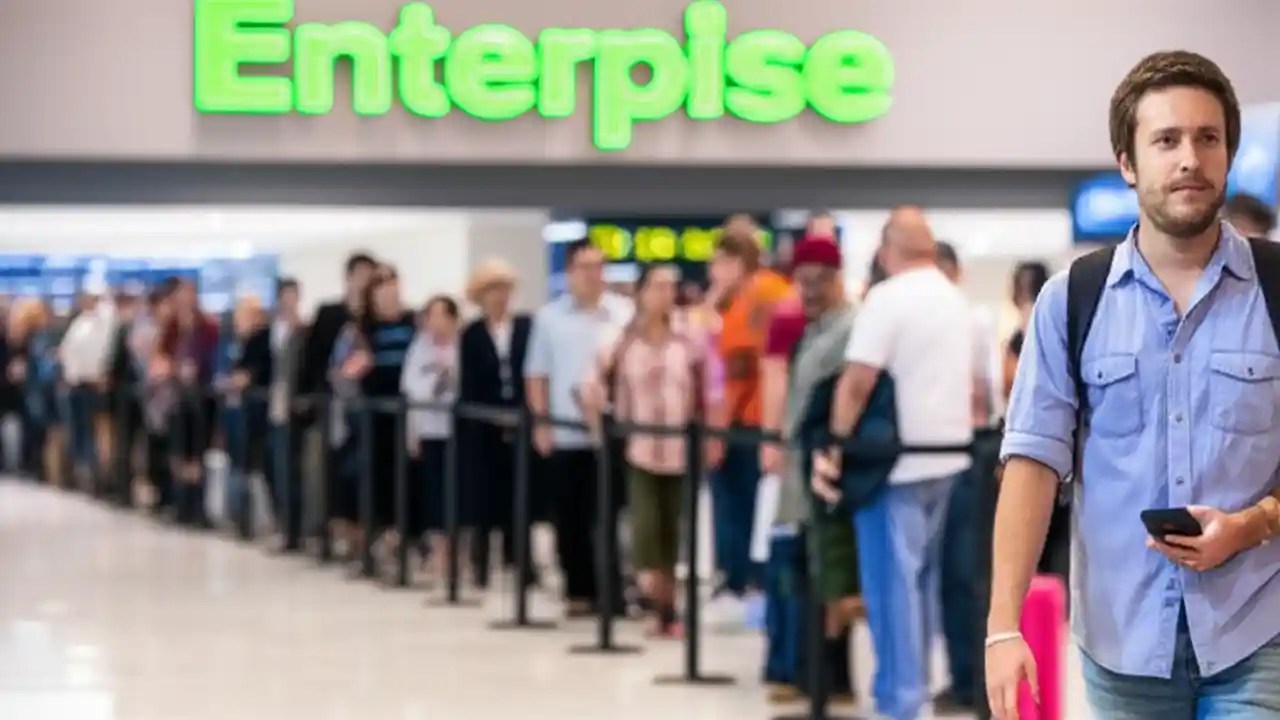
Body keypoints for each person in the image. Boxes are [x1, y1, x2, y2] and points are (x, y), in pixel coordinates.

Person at [988, 51, 1280, 719]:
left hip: (1260, 633)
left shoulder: (1276, 289)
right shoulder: (1072, 301)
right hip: (1123, 644)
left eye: (1208, 138)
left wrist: (1252, 525)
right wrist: (1003, 626)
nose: (1189, 158)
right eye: (1167, 139)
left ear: (1229, 155)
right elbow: (1031, 463)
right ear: (1128, 162)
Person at [813, 206, 974, 720]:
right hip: (947, 460)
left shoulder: (887, 299)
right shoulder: (955, 299)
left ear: (887, 251)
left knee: (890, 586)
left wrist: (836, 445)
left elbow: (857, 382)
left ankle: (899, 701)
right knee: (922, 582)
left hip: (892, 466)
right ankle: (917, 691)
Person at [580, 264, 705, 638]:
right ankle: (657, 601)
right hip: (640, 450)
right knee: (646, 532)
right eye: (658, 286)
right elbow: (592, 384)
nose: (666, 294)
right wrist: (600, 427)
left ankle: (669, 610)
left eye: (671, 286)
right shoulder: (623, 341)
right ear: (641, 292)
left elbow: (703, 387)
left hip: (681, 450)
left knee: (675, 532)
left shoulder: (689, 339)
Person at [764, 237, 860, 705]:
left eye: (820, 281)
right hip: (800, 479)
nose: (810, 291)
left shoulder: (851, 328)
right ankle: (809, 675)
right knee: (805, 574)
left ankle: (830, 680)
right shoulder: (814, 330)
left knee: (830, 577)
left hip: (828, 477)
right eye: (802, 282)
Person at [525, 239, 633, 617]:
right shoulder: (549, 318)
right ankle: (579, 590)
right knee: (569, 516)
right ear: (570, 272)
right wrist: (541, 423)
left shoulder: (623, 314)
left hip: (611, 432)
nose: (592, 275)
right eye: (584, 267)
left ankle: (614, 589)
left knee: (610, 515)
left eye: (599, 267)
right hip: (566, 432)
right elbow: (537, 374)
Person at [707, 219, 792, 626]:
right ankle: (753, 585)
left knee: (737, 512)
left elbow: (739, 370)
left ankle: (740, 586)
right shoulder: (772, 291)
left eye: (719, 262)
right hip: (769, 423)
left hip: (749, 423)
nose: (713, 273)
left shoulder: (755, 296)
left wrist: (720, 430)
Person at [932, 240, 996, 713]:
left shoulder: (970, 319)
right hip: (956, 453)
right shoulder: (966, 319)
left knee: (966, 574)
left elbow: (982, 391)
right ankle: (963, 677)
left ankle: (973, 682)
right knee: (956, 575)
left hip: (967, 455)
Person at [459, 260, 534, 589]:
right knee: (484, 495)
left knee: (521, 494)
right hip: (485, 425)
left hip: (521, 419)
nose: (499, 297)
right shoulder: (472, 335)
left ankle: (521, 559)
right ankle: (481, 561)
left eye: (503, 289)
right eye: (492, 290)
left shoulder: (525, 327)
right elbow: (470, 382)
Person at [352, 265, 416, 573]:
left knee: (407, 477)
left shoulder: (412, 322)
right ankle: (377, 540)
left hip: (407, 415)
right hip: (376, 417)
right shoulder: (363, 329)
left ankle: (405, 536)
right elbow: (350, 372)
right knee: (379, 477)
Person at [402, 294, 461, 583]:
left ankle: (460, 554)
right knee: (434, 493)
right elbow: (412, 390)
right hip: (429, 430)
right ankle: (438, 552)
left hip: (457, 431)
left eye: (441, 316)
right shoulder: (420, 348)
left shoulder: (461, 347)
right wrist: (412, 433)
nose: (435, 323)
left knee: (458, 492)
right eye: (431, 316)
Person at [159, 279, 219, 527]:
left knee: (197, 453)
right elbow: (161, 356)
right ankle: (181, 504)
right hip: (177, 397)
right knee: (178, 453)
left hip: (200, 398)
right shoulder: (172, 327)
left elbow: (212, 358)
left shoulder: (207, 327)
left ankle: (197, 506)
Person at [59, 290, 116, 492]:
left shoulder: (105, 322)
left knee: (95, 433)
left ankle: (98, 476)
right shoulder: (79, 323)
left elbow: (105, 353)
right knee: (79, 432)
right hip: (76, 384)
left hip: (93, 385)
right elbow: (66, 352)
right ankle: (82, 472)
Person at [267, 278, 307, 551]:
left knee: (291, 469)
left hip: (291, 408)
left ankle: (295, 530)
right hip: (276, 405)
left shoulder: (302, 331)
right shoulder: (274, 330)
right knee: (277, 467)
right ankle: (282, 523)